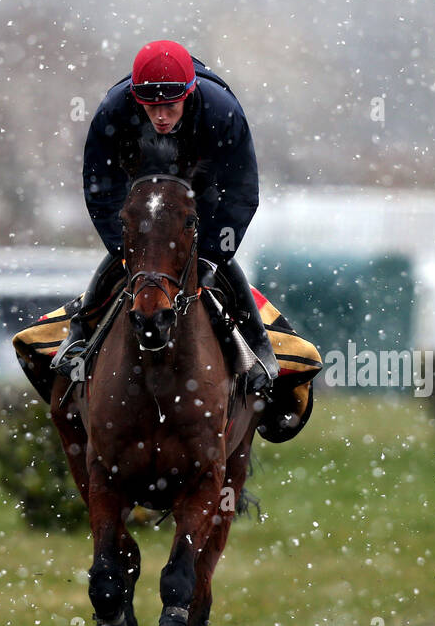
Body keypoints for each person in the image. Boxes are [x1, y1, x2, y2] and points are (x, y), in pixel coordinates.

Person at [51, 39, 278, 392]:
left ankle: (259, 344)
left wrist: (212, 255)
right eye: (150, 106)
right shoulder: (113, 109)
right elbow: (99, 188)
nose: (160, 116)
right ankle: (79, 332)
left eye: (170, 107)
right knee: (133, 255)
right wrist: (124, 244)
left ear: (188, 94)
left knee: (212, 260)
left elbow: (242, 192)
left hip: (204, 190)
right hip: (140, 186)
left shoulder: (222, 112)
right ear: (135, 98)